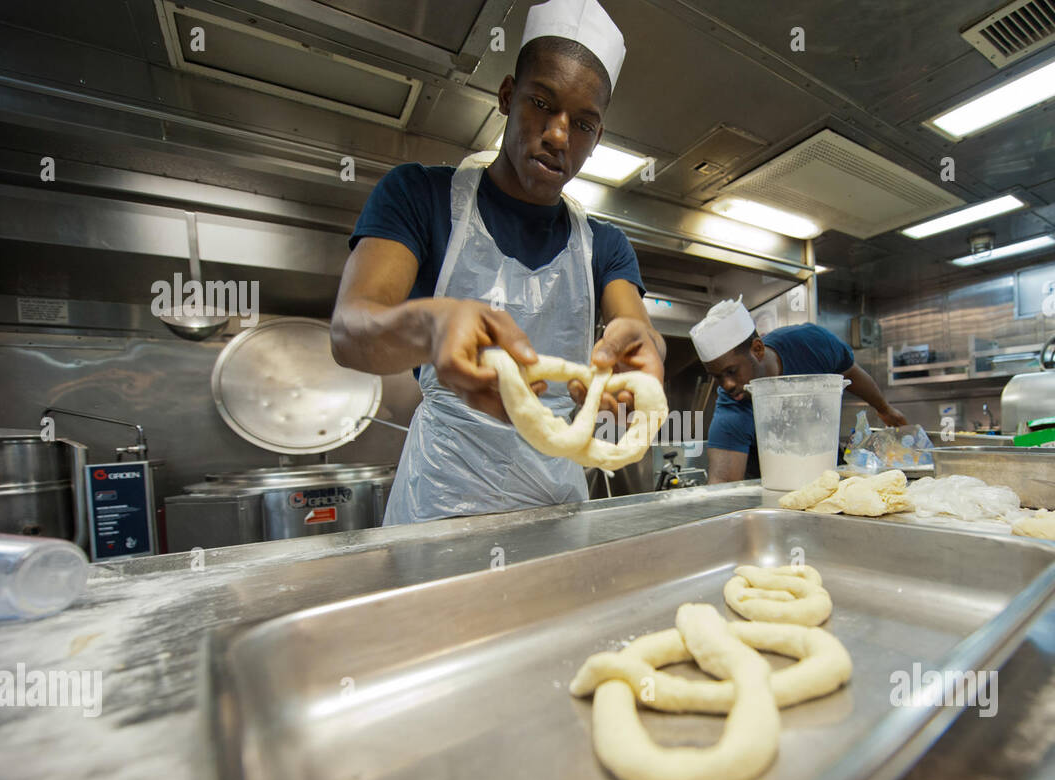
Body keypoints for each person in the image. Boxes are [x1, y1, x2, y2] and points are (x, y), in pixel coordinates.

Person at [330, 0, 665, 522]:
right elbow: (349, 333)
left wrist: (643, 353)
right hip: (441, 502)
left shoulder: (606, 245)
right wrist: (431, 326)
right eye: (541, 103)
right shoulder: (418, 196)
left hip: (556, 510)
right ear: (507, 97)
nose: (558, 135)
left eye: (582, 124)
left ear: (597, 139)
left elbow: (638, 332)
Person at [689, 297, 907, 484]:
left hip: (829, 477)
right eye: (717, 377)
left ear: (757, 349)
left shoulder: (809, 344)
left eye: (732, 371)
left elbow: (850, 373)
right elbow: (724, 483)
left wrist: (884, 408)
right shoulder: (733, 407)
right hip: (774, 490)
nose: (726, 385)